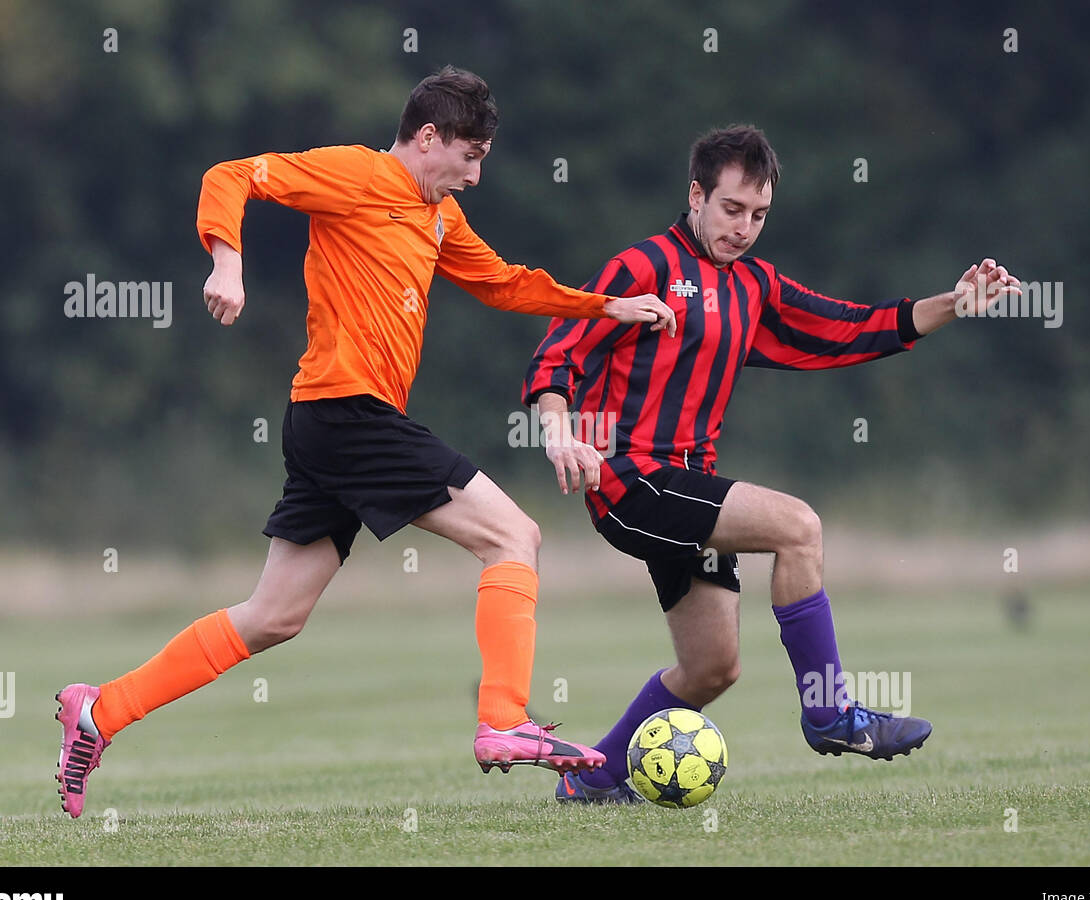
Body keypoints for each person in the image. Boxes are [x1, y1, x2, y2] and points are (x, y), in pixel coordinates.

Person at [53, 66, 677, 818]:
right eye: (470, 156)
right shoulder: (356, 174)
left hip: (325, 423)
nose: (477, 174)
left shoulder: (438, 215)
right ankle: (504, 718)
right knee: (514, 537)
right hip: (349, 414)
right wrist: (228, 260)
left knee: (273, 615)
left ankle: (98, 712)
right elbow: (231, 175)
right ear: (426, 138)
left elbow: (505, 283)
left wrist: (606, 305)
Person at [523, 125, 1019, 803]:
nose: (744, 228)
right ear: (695, 195)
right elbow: (559, 350)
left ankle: (595, 779)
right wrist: (556, 429)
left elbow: (849, 328)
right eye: (731, 209)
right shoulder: (643, 267)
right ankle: (831, 714)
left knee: (711, 669)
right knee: (798, 526)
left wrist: (954, 304)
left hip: (685, 490)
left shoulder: (755, 286)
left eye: (758, 215)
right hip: (630, 479)